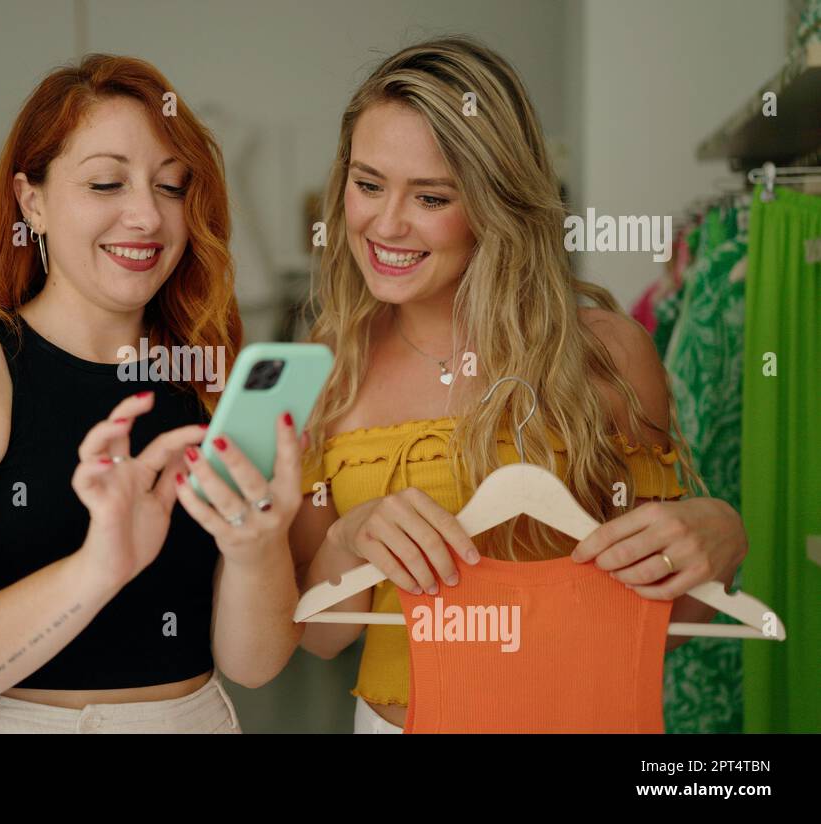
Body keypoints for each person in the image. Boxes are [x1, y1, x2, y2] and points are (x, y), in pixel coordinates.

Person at [288, 36, 749, 733]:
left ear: (496, 201)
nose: (385, 223)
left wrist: (722, 535)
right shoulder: (327, 366)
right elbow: (318, 635)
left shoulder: (607, 352)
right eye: (368, 182)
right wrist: (352, 536)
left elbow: (670, 621)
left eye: (431, 196)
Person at [0, 54, 300, 733]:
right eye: (105, 183)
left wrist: (257, 550)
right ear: (30, 200)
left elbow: (256, 664)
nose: (147, 216)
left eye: (172, 186)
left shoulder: (208, 379)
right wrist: (94, 571)